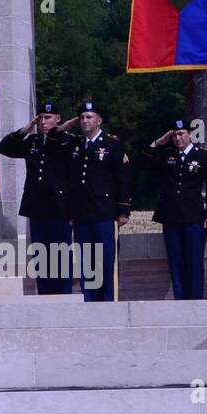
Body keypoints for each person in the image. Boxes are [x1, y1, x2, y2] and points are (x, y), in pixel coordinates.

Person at [0, 101, 73, 294]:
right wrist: (25, 130)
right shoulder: (33, 141)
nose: (43, 122)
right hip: (37, 206)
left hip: (59, 206)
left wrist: (59, 132)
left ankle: (62, 292)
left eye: (47, 118)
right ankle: (45, 291)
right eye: (40, 118)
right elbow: (4, 148)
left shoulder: (68, 141)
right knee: (41, 252)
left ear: (58, 119)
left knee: (60, 252)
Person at [64, 101, 131, 301]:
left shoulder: (112, 144)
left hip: (104, 212)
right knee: (86, 262)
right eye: (82, 117)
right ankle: (89, 300)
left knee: (106, 259)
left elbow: (123, 178)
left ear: (99, 120)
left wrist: (124, 210)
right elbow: (71, 181)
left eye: (89, 117)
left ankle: (107, 302)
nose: (85, 121)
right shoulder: (75, 145)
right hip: (82, 214)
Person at [148, 119, 207, 299]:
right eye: (175, 135)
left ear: (189, 134)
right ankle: (180, 298)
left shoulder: (202, 155)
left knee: (194, 260)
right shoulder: (167, 154)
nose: (178, 138)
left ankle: (195, 299)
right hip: (170, 214)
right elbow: (144, 161)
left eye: (181, 134)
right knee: (175, 260)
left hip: (193, 215)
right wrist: (158, 143)